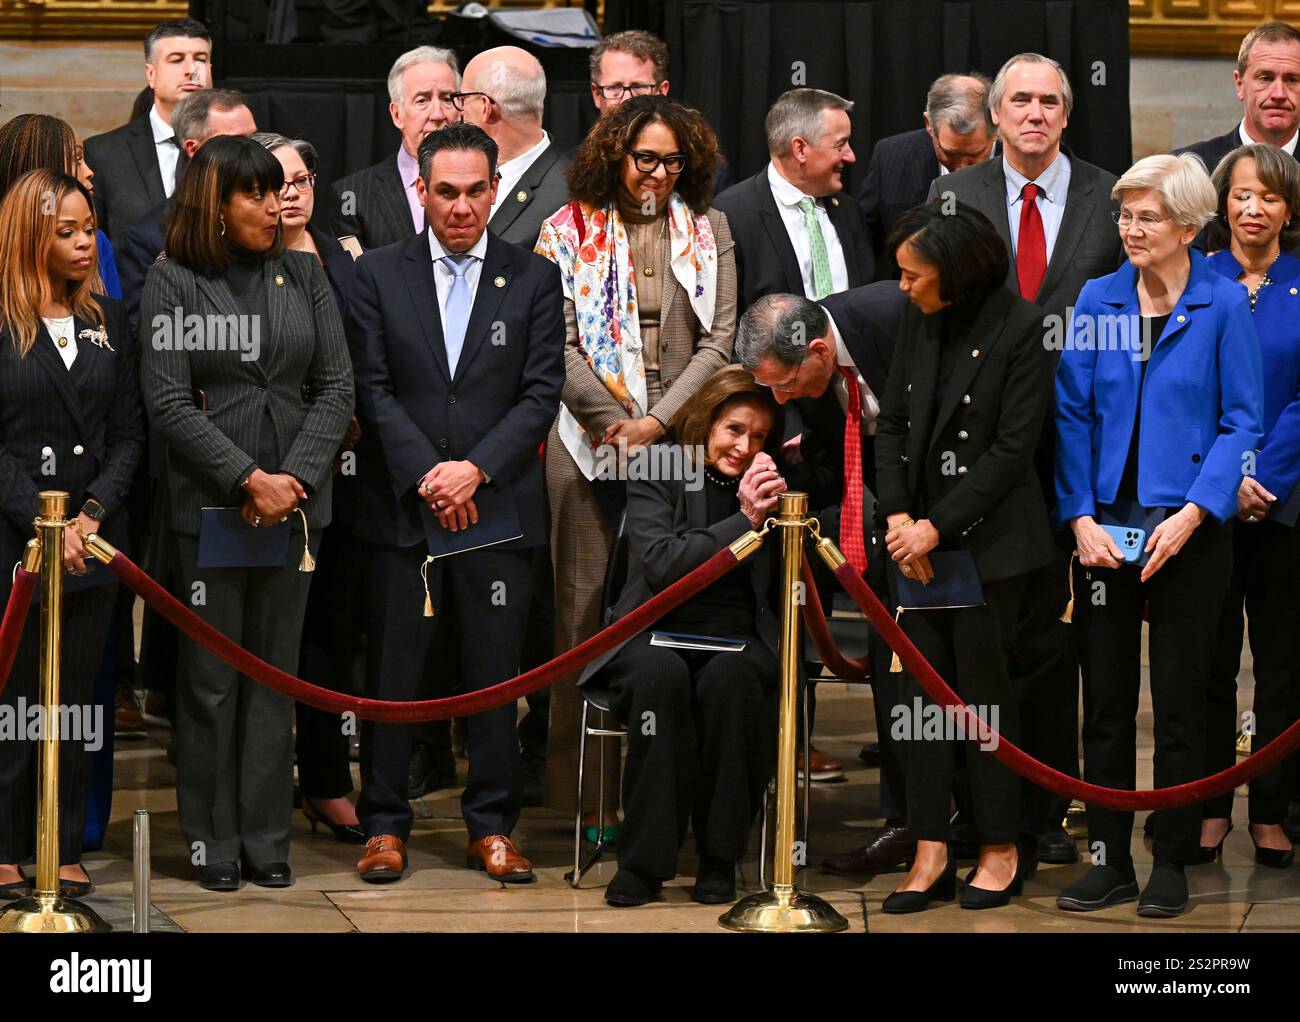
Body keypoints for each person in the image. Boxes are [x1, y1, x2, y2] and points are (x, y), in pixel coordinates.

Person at [349, 122, 563, 884]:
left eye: (477, 190)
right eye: (447, 191)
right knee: (392, 675)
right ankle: (383, 825)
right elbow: (369, 389)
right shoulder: (374, 274)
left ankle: (493, 827)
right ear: (423, 191)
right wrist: (429, 476)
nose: (463, 205)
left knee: (493, 677)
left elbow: (540, 395)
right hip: (402, 511)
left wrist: (473, 471)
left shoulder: (534, 277)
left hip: (496, 511)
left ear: (495, 190)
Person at [138, 135, 354, 891]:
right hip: (213, 511)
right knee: (210, 684)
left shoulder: (304, 274)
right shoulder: (172, 282)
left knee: (274, 680)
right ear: (215, 204)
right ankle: (210, 843)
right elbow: (165, 401)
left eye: (279, 191)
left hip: (293, 514)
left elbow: (335, 389)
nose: (275, 205)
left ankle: (267, 840)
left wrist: (290, 479)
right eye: (256, 194)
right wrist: (245, 479)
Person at [927, 51, 1124, 864]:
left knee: (1053, 647)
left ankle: (1051, 812)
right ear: (995, 115)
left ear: (1067, 115)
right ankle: (980, 812)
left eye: (1050, 101)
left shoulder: (1111, 199)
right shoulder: (954, 196)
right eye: (1020, 101)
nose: (1035, 113)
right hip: (977, 460)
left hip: (1081, 452)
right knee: (985, 643)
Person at [1054, 153, 1264, 917]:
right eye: (1124, 216)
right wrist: (1078, 517)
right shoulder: (1097, 298)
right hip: (1103, 532)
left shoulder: (1222, 303)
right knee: (1105, 701)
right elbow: (1072, 414)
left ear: (1187, 225)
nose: (1130, 230)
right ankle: (1108, 858)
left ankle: (1171, 857)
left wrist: (1195, 512)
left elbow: (1245, 421)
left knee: (1180, 702)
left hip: (1190, 531)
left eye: (1146, 217)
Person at [535, 94, 735, 836]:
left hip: (683, 437)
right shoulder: (564, 231)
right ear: (615, 156)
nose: (657, 173)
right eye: (644, 158)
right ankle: (589, 799)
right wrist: (617, 422)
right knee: (583, 614)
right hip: (589, 440)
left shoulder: (710, 230)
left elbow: (721, 343)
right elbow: (553, 346)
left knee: (668, 607)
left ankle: (664, 796)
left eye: (672, 160)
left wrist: (657, 422)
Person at [872, 201, 1056, 912]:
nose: (903, 287)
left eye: (914, 275)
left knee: (982, 703)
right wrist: (897, 520)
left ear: (957, 273)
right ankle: (930, 847)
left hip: (990, 551)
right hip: (913, 546)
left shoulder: (1024, 327)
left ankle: (1000, 846)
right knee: (919, 704)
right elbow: (889, 424)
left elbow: (1012, 451)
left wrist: (935, 529)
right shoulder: (918, 318)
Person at [580, 368, 786, 906]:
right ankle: (643, 866)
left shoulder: (771, 487)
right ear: (706, 421)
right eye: (734, 429)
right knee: (661, 677)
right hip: (652, 631)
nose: (744, 447)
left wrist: (779, 515)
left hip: (739, 639)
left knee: (731, 682)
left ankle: (719, 860)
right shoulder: (658, 465)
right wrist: (744, 521)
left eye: (759, 436)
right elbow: (663, 564)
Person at [734, 283, 914, 872]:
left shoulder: (895, 314)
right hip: (879, 530)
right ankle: (907, 823)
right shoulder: (803, 376)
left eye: (783, 385)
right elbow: (833, 458)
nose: (779, 398)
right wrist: (785, 473)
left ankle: (984, 823)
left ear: (817, 349)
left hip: (945, 514)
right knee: (895, 675)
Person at [0, 169, 144, 898]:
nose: (86, 242)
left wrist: (90, 517)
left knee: (76, 701)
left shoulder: (111, 320)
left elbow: (128, 435)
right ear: (30, 236)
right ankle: (3, 842)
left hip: (93, 543)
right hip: (13, 543)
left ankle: (57, 843)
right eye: (67, 232)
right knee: (13, 700)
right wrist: (43, 522)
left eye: (90, 227)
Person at [255, 131, 366, 845]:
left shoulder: (347, 257)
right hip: (262, 479)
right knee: (261, 644)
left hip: (342, 473)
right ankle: (256, 796)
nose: (291, 192)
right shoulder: (233, 262)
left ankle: (326, 780)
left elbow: (363, 362)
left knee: (329, 632)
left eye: (302, 178)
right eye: (277, 181)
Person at [1199, 143, 1300, 867]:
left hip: (1287, 506)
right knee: (1204, 664)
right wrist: (1228, 477)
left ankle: (1268, 812)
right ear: (1221, 203)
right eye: (1240, 195)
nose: (1252, 208)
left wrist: (1266, 476)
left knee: (1283, 665)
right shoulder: (1194, 279)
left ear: (1288, 208)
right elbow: (1185, 393)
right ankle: (1206, 810)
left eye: (1267, 196)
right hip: (1206, 502)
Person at [715, 88, 873, 311]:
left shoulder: (849, 211)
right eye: (840, 145)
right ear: (800, 149)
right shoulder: (731, 216)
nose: (851, 156)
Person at [117, 89, 258, 334]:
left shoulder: (269, 219)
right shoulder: (149, 238)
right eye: (237, 142)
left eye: (254, 139)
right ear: (194, 148)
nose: (253, 151)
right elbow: (146, 334)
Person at [84, 18, 211, 247]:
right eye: (177, 60)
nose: (191, 70)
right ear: (151, 74)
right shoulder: (103, 153)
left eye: (200, 60)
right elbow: (94, 246)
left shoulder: (236, 142)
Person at [329, 46, 460, 254]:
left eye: (447, 99)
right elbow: (356, 278)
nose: (438, 114)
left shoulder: (489, 185)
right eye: (422, 100)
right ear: (396, 114)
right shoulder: (352, 194)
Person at [859, 73, 995, 262]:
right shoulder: (890, 157)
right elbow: (862, 245)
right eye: (951, 154)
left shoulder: (1023, 163)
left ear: (996, 127)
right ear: (929, 125)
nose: (962, 168)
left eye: (973, 155)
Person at [587, 29, 735, 192]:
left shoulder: (705, 171)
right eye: (615, 87)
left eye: (639, 87)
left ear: (661, 92)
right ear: (596, 94)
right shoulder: (571, 171)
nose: (627, 99)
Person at [454, 46, 572, 250]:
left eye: (462, 99)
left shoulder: (570, 194)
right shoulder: (457, 172)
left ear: (485, 107)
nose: (459, 112)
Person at [0, 115, 121, 301]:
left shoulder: (97, 241)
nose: (89, 172)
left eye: (87, 230)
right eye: (77, 160)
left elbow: (114, 319)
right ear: (42, 171)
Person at [1175, 23, 1300, 175]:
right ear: (1240, 84)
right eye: (1265, 78)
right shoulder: (1189, 171)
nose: (1279, 94)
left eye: (1292, 80)